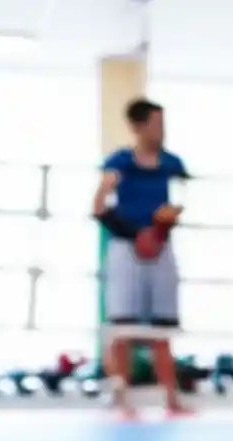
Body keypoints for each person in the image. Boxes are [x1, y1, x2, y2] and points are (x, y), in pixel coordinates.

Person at [92, 98, 188, 419]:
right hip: (126, 245)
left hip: (160, 246)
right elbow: (99, 206)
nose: (159, 130)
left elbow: (181, 201)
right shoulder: (119, 162)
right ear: (137, 126)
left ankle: (171, 398)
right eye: (154, 123)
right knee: (124, 324)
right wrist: (136, 234)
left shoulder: (172, 164)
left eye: (162, 123)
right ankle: (122, 397)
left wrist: (162, 224)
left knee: (162, 325)